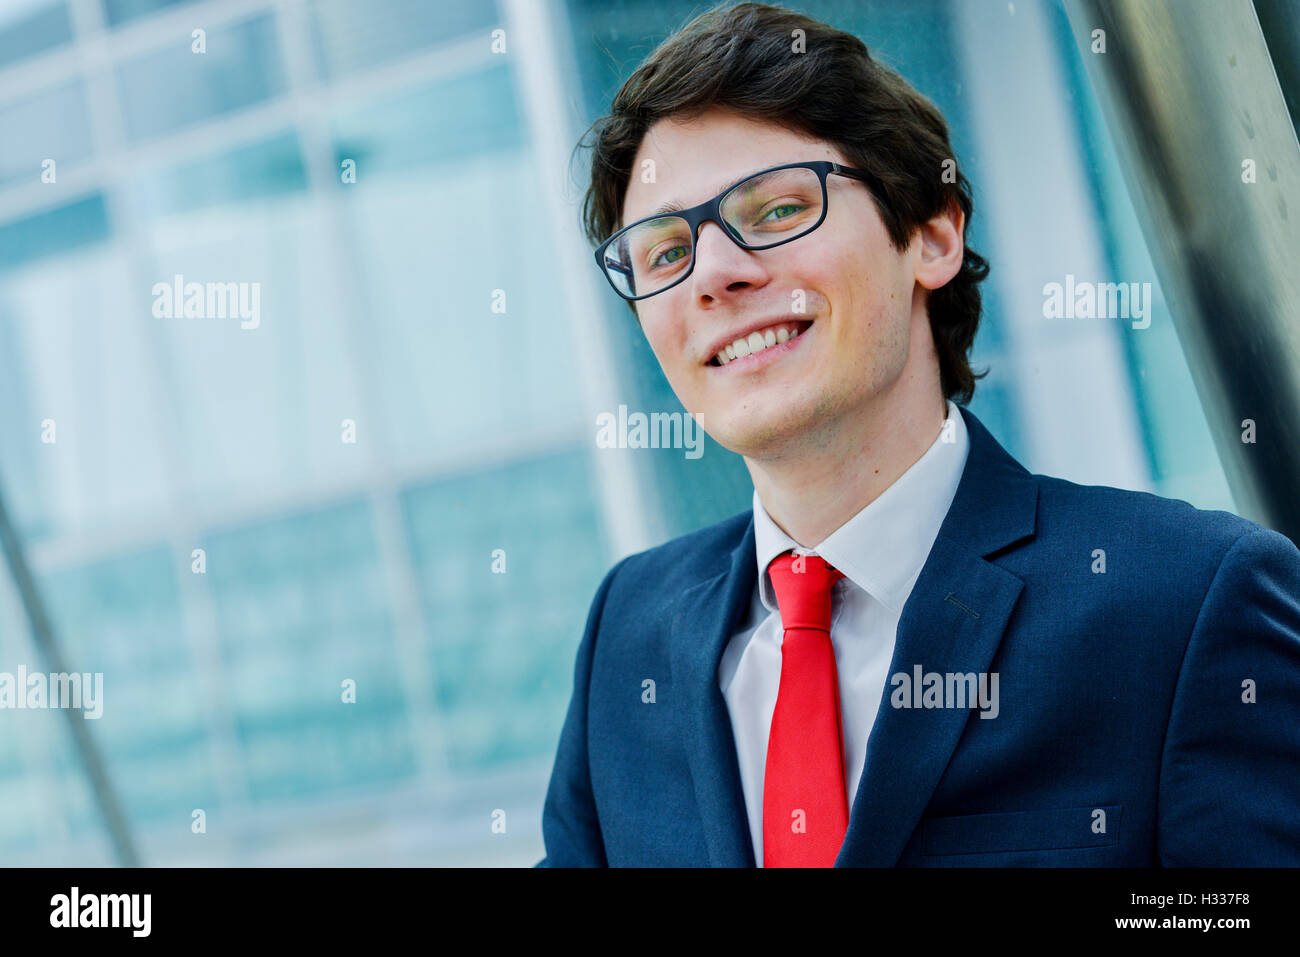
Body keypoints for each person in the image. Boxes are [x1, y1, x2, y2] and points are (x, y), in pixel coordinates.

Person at [537, 1, 1300, 866]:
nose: (713, 273)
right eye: (664, 253)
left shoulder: (1187, 604)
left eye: (779, 209)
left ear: (932, 234)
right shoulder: (626, 634)